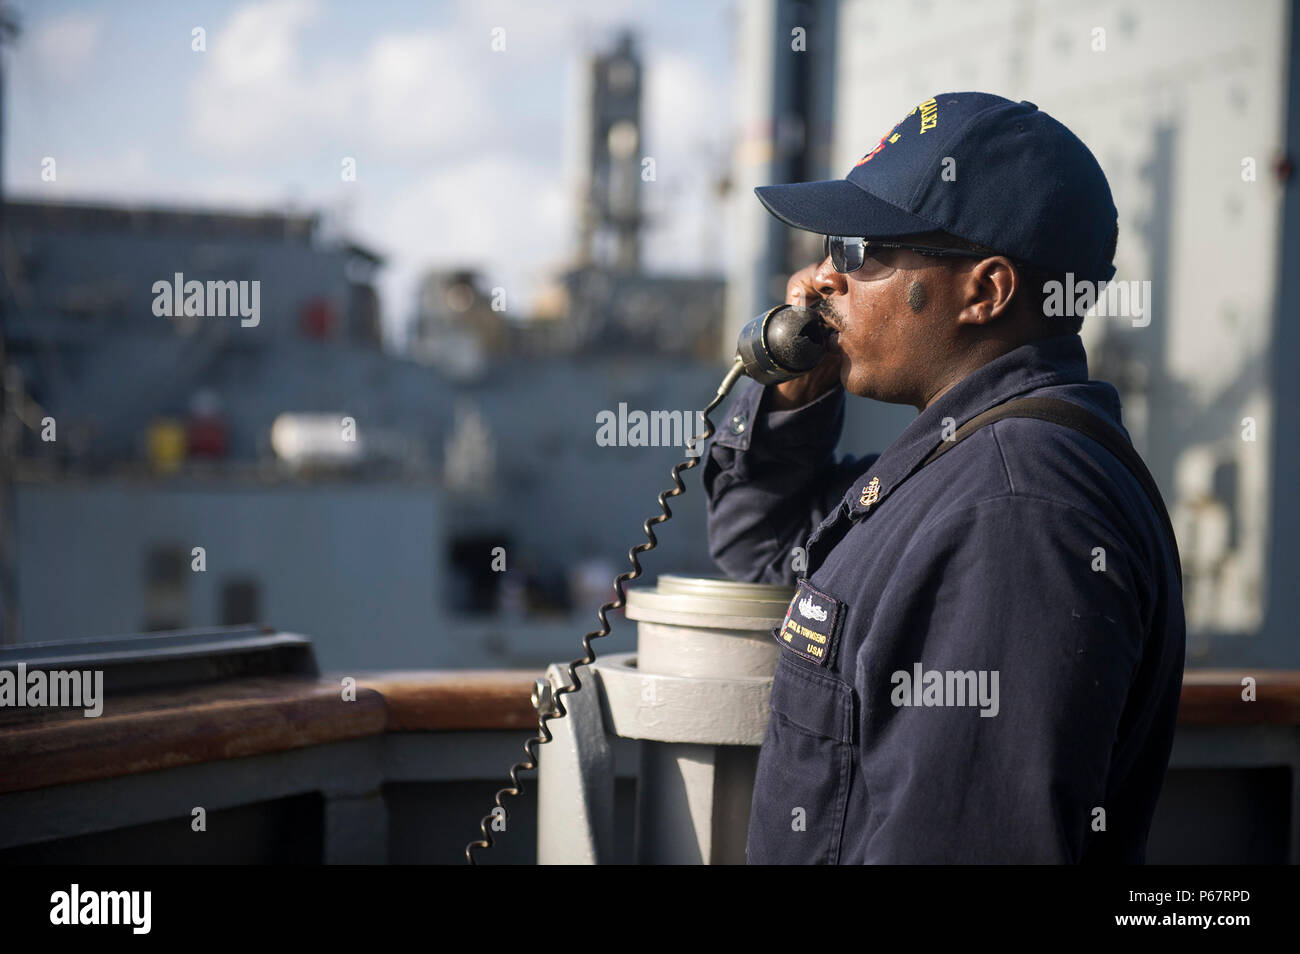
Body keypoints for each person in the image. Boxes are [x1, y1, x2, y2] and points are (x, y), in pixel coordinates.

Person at [704, 92, 1185, 863]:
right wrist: (790, 397)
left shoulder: (1014, 510)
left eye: (859, 250)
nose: (821, 276)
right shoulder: (960, 469)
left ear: (985, 292)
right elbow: (765, 549)